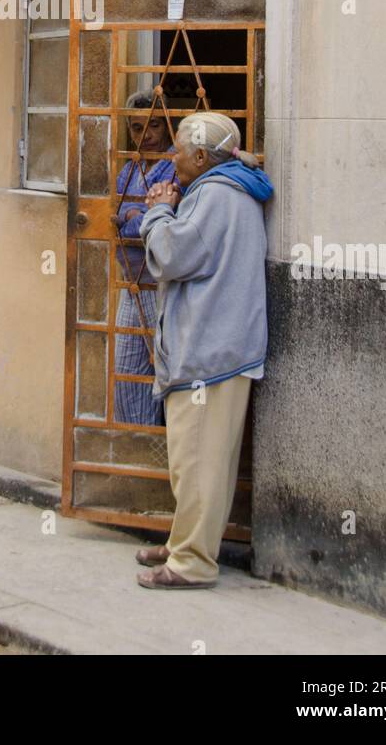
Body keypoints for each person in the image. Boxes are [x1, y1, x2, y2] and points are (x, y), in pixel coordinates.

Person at [133, 111, 273, 589]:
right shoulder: (231, 190)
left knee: (197, 462)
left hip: (211, 352)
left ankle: (191, 563)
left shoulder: (214, 195)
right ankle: (182, 543)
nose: (171, 159)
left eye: (177, 150)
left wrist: (156, 210)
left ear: (199, 155)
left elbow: (172, 255)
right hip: (220, 348)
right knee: (197, 459)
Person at [112, 92, 179, 427]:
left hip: (161, 285)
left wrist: (136, 218)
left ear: (167, 125)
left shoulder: (176, 166)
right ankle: (138, 445)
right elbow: (118, 220)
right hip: (131, 281)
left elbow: (165, 222)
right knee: (126, 373)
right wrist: (137, 217)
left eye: (153, 125)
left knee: (166, 369)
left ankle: (160, 453)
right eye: (137, 128)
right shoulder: (129, 167)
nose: (146, 135)